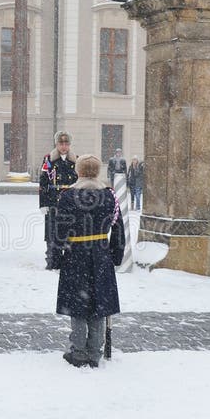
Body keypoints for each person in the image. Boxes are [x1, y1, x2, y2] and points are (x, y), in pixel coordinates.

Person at [51, 154, 126, 368]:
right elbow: (118, 229)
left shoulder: (67, 196)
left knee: (78, 304)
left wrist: (57, 257)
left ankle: (79, 351)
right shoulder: (110, 196)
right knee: (98, 303)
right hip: (101, 254)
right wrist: (115, 255)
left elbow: (59, 230)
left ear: (79, 171)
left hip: (76, 254)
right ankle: (95, 350)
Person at [39, 131, 78, 270]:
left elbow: (79, 182)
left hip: (70, 202)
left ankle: (69, 261)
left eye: (66, 143)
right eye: (61, 143)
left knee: (70, 232)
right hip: (53, 201)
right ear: (56, 144)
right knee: (52, 233)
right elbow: (43, 182)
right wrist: (43, 203)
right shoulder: (49, 160)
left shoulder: (76, 160)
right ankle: (52, 260)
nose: (64, 146)